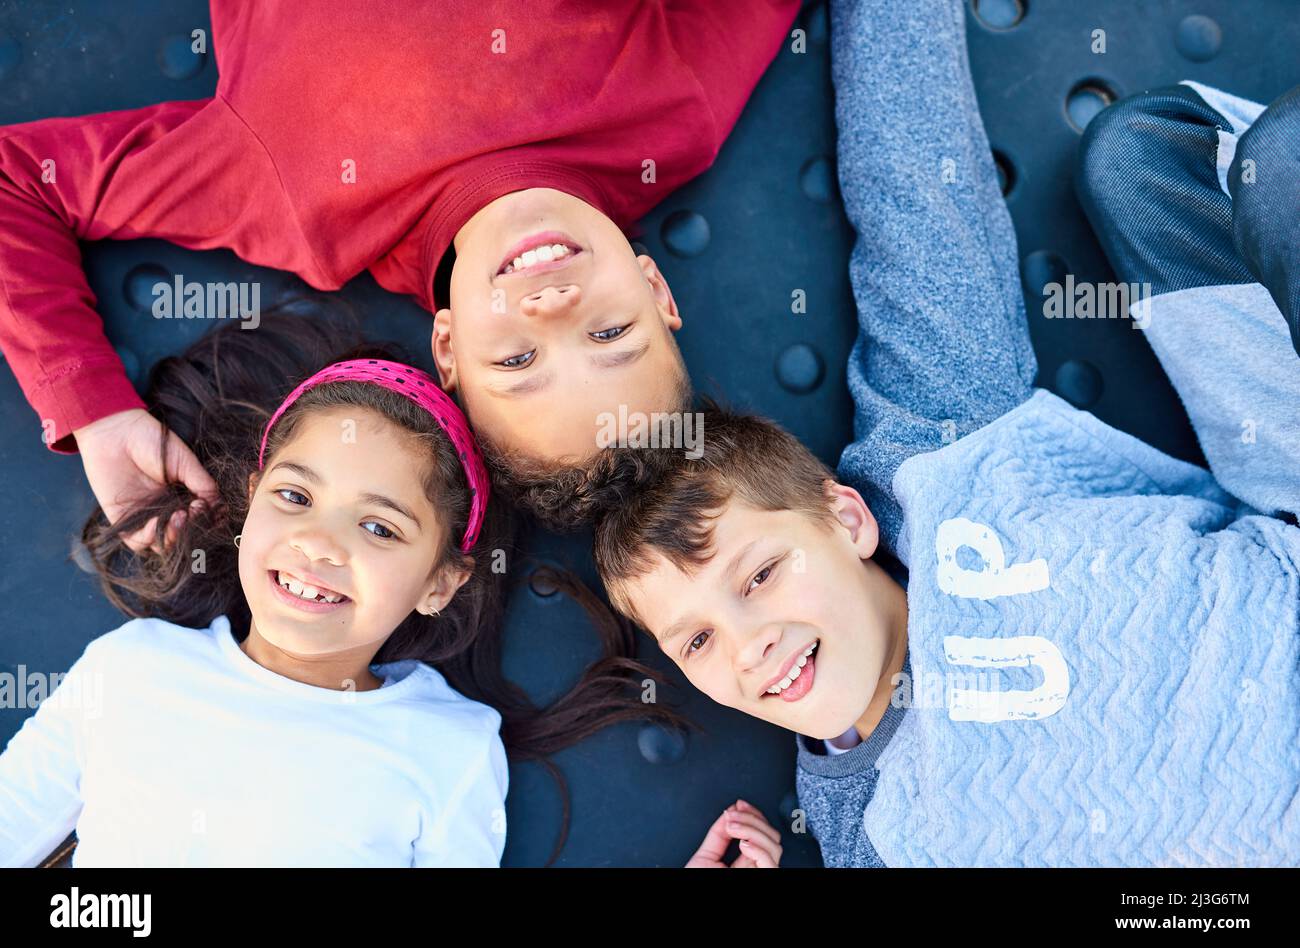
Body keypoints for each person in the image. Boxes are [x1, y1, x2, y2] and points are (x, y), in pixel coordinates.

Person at [590, 0, 1300, 866]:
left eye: (762, 573)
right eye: (695, 640)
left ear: (847, 519)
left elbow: (915, 191)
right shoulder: (869, 835)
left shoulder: (932, 453)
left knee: (1158, 158)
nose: (748, 645)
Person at [0, 0, 801, 550]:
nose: (553, 305)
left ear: (447, 350)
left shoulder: (300, 204)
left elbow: (18, 180)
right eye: (610, 332)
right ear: (657, 290)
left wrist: (95, 413)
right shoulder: (676, 110)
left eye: (518, 360)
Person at [0, 304, 681, 867]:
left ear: (441, 582)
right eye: (294, 495)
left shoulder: (451, 748)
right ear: (249, 500)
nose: (320, 542)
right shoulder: (130, 669)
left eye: (380, 528)